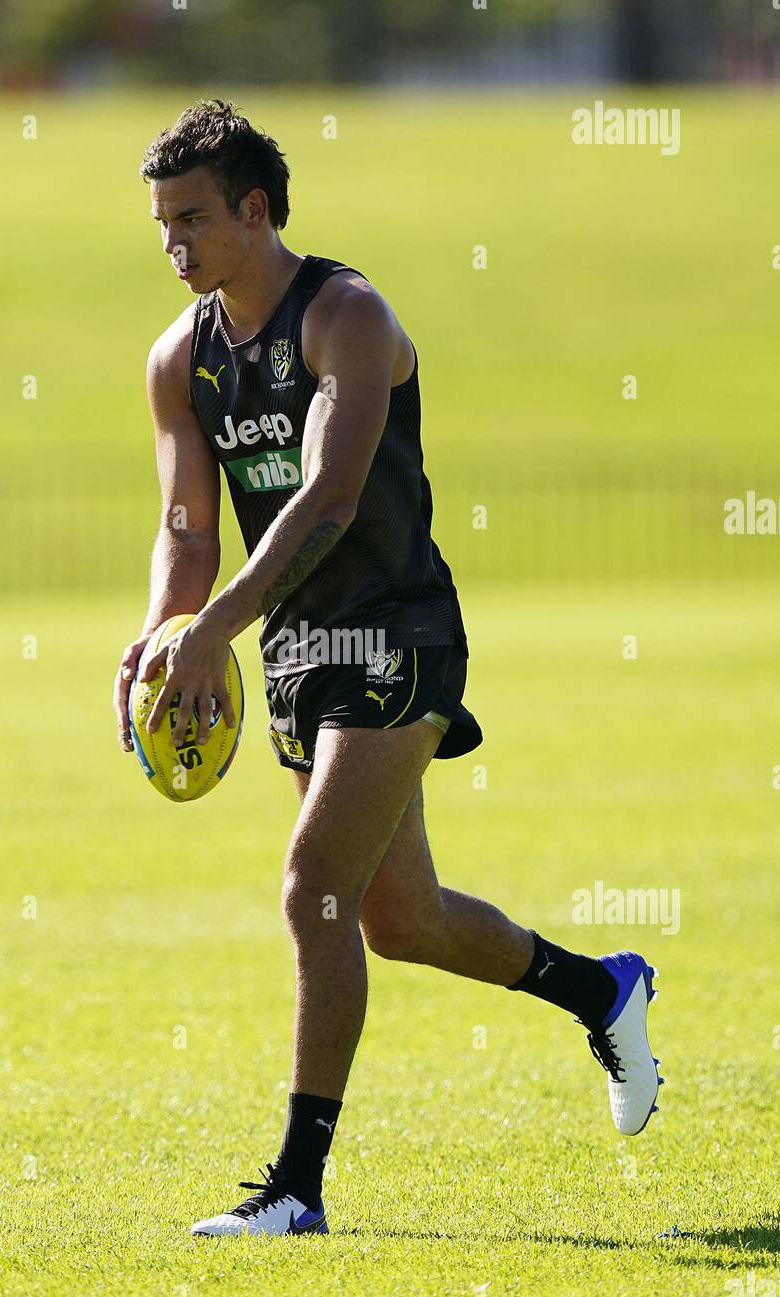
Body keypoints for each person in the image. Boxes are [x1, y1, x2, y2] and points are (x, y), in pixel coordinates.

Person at [113, 99, 662, 1238]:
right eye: (162, 227)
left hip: (399, 628)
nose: (175, 248)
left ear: (256, 211)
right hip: (295, 645)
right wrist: (171, 631)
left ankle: (295, 1190)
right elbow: (187, 524)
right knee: (397, 918)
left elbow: (329, 499)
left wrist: (212, 627)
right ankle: (603, 990)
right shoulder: (180, 359)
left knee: (311, 879)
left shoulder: (347, 318)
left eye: (194, 222)